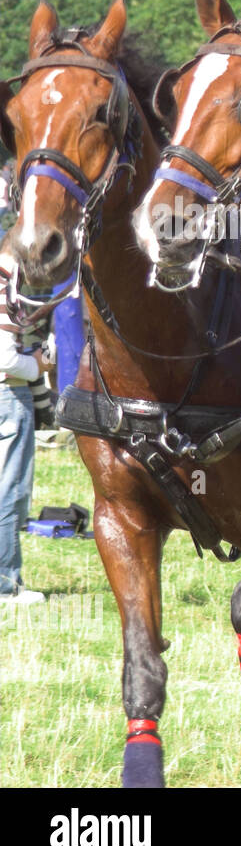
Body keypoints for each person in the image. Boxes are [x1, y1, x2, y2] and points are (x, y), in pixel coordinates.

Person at [0, 257, 55, 604]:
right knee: (10, 492)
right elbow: (5, 360)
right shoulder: (4, 277)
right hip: (7, 394)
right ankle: (6, 585)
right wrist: (38, 364)